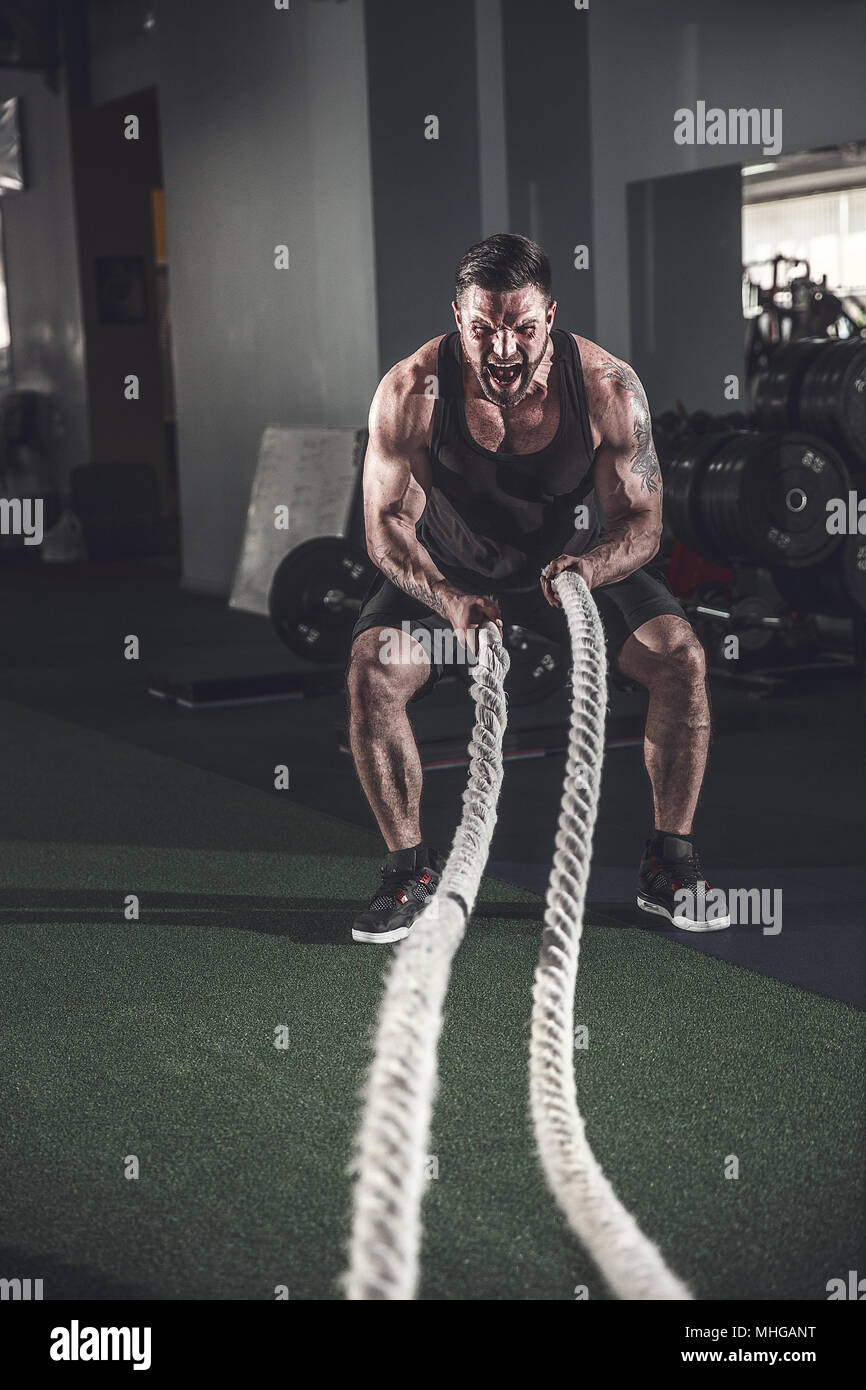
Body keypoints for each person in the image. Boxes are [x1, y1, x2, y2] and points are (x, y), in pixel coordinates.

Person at [346, 233, 729, 943]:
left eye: (521, 328)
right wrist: (446, 598)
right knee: (373, 670)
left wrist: (592, 569)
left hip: (567, 573)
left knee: (681, 658)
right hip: (448, 576)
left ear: (549, 317)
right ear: (457, 319)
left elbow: (642, 522)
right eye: (484, 329)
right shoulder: (410, 391)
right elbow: (386, 527)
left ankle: (669, 864)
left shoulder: (609, 389)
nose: (503, 350)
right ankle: (408, 871)